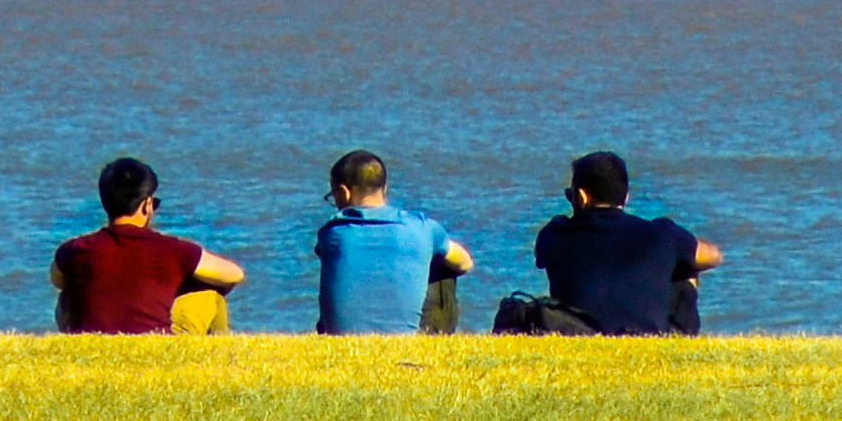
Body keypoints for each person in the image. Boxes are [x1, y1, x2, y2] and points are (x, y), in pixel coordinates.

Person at [521, 148, 718, 335]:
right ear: (626, 197)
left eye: (569, 195)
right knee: (687, 264)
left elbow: (542, 258)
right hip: (649, 335)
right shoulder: (662, 233)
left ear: (581, 197)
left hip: (575, 329)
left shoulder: (554, 233)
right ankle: (679, 339)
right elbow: (713, 257)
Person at [51, 158, 243, 333]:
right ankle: (225, 360)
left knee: (67, 295)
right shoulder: (174, 250)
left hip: (92, 340)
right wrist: (178, 282)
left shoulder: (75, 249)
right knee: (211, 295)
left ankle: (76, 337)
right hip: (156, 339)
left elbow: (58, 280)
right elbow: (234, 274)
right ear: (147, 205)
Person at [305, 149, 474, 335]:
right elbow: (465, 263)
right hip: (406, 344)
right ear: (384, 188)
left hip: (340, 341)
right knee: (441, 262)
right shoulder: (423, 227)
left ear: (343, 192)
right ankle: (432, 337)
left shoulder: (332, 232)